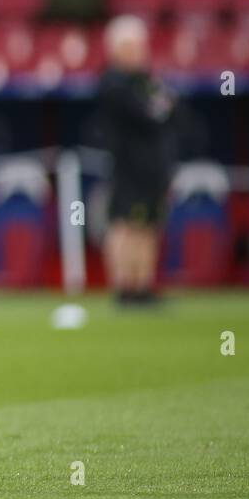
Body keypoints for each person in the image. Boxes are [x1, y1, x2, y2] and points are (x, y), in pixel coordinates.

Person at [97, 16, 175, 306]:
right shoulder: (114, 82)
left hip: (152, 168)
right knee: (126, 223)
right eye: (133, 46)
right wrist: (158, 108)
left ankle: (142, 285)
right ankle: (124, 286)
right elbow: (149, 113)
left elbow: (170, 110)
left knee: (149, 225)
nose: (140, 51)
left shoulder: (143, 80)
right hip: (128, 167)